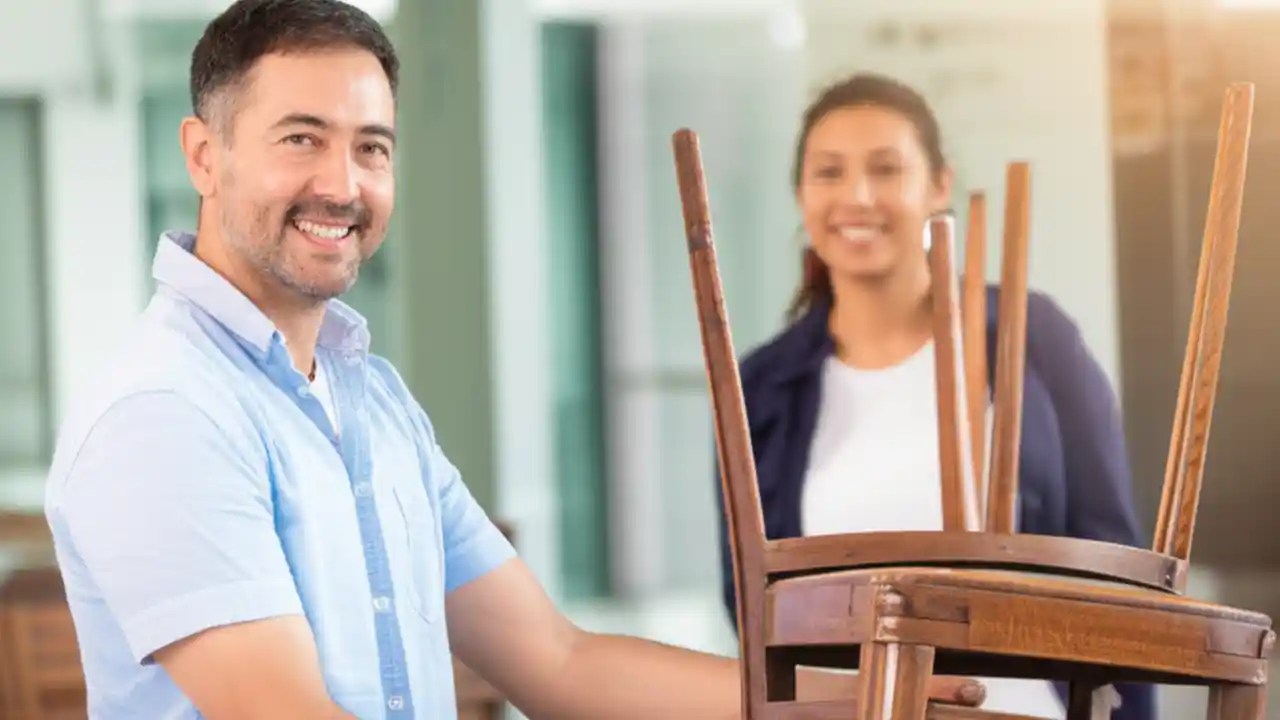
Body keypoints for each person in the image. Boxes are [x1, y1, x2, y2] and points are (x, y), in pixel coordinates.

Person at [41, 1, 756, 717]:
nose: (343, 185)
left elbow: (559, 660)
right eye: (301, 139)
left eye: (371, 148)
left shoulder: (370, 400)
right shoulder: (163, 413)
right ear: (204, 156)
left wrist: (847, 701)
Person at [715, 73, 1155, 720]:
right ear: (801, 194)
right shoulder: (758, 385)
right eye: (829, 173)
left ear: (939, 184)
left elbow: (1119, 569)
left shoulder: (1031, 340)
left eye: (887, 169)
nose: (857, 196)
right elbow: (750, 605)